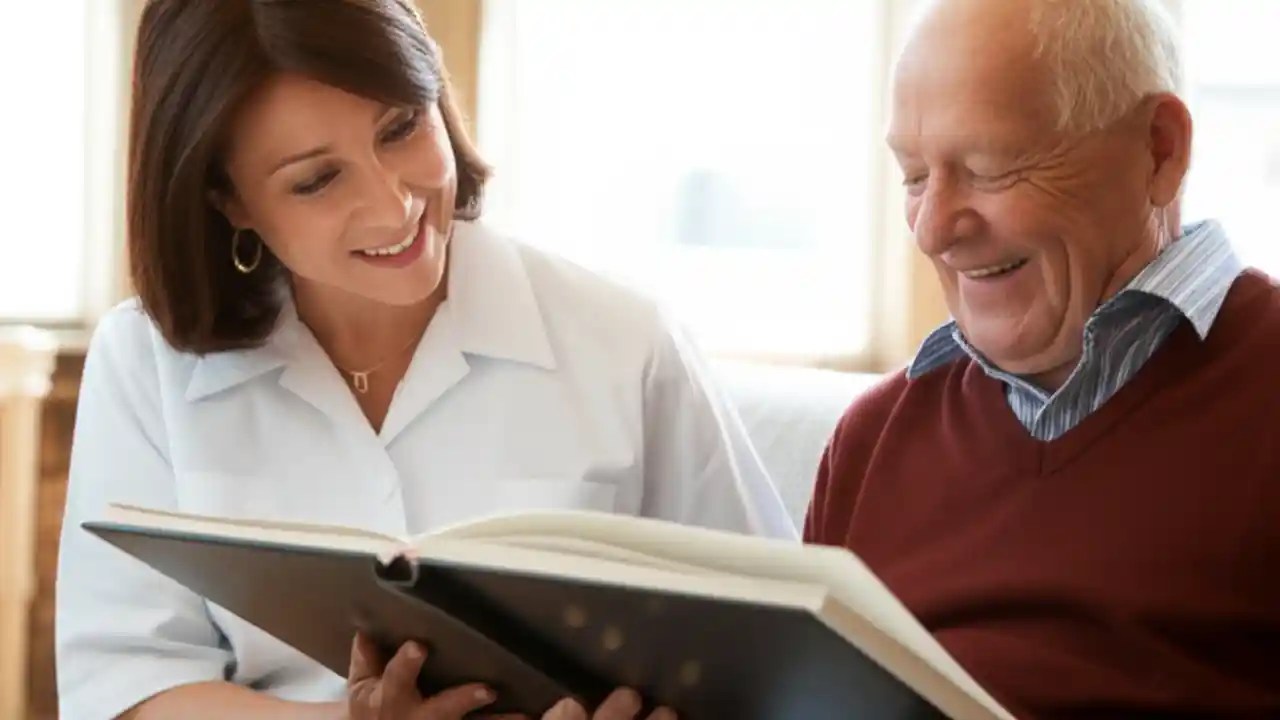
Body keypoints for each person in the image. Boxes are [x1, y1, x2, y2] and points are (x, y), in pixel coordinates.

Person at [54, 1, 795, 718]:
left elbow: (782, 653)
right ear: (227, 198)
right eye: (317, 180)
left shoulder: (624, 342)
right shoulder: (146, 364)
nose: (394, 206)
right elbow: (126, 688)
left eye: (401, 127)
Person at [804, 0, 1280, 717]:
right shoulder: (871, 441)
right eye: (913, 178)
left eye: (989, 168)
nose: (934, 229)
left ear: (1159, 150)